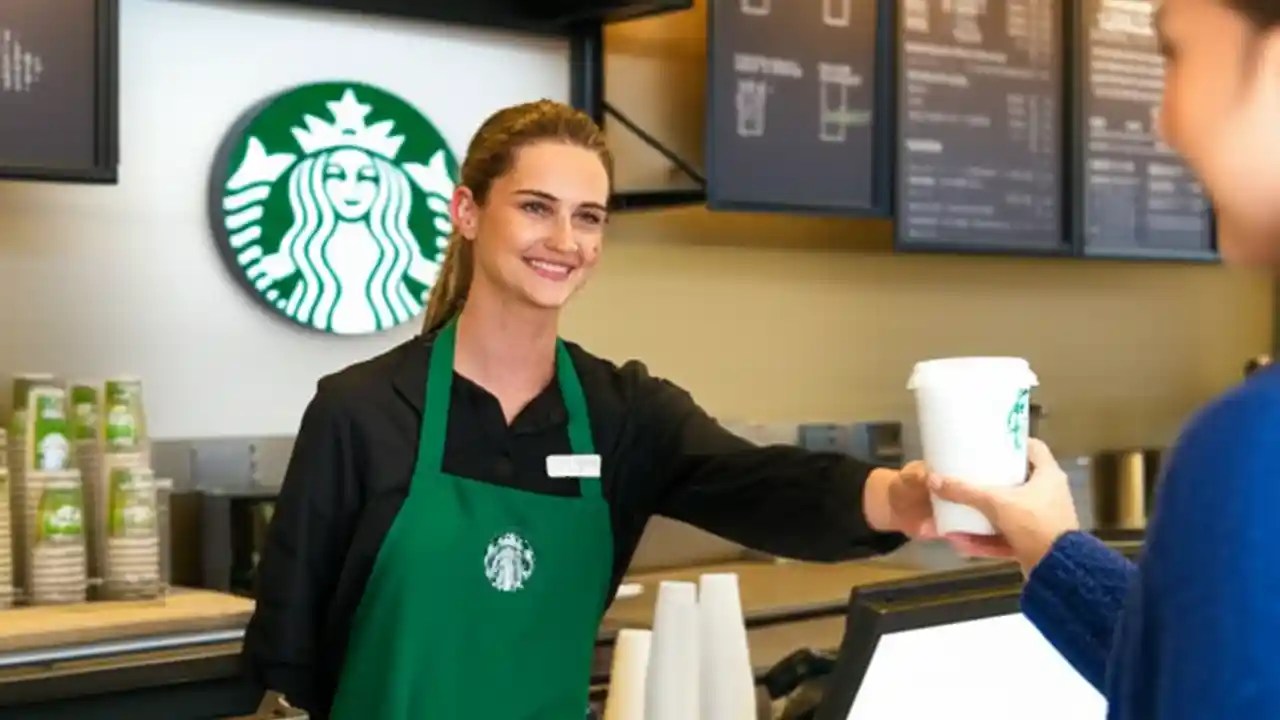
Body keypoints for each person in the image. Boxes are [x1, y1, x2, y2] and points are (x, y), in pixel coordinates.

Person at [241, 99, 940, 720]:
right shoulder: (361, 411)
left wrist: (897, 498)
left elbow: (760, 486)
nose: (565, 241)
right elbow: (284, 658)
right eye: (536, 207)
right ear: (467, 212)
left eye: (589, 217)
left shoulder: (622, 415)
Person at [930, 1, 1280, 717]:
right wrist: (1053, 547)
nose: (1164, 121)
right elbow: (1198, 663)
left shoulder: (1253, 449)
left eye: (1178, 54)